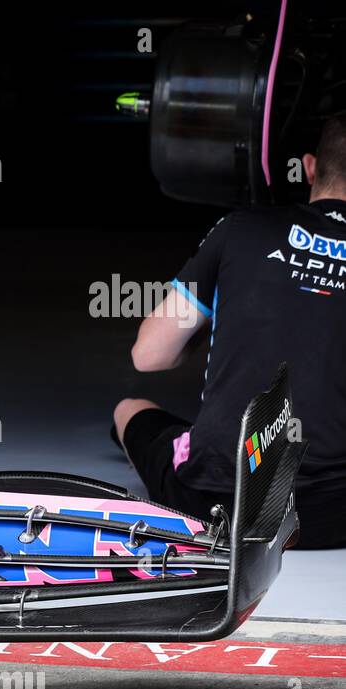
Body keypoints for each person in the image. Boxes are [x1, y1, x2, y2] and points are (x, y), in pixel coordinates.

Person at [114, 116, 346, 548]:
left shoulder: (242, 229)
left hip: (221, 504)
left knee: (129, 408)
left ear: (311, 167)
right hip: (334, 516)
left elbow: (150, 355)